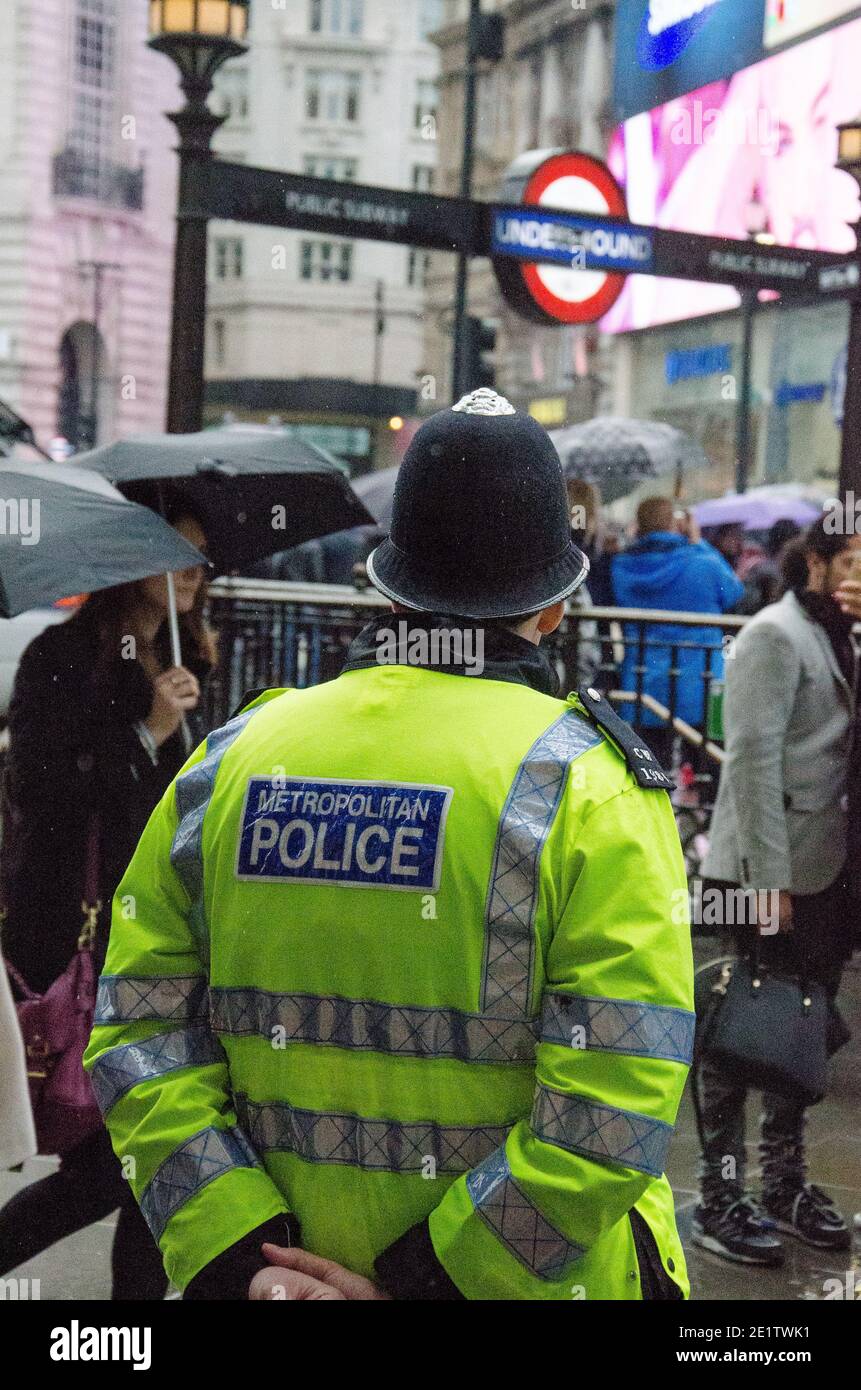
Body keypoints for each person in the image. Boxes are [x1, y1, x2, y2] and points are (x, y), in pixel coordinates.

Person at [84, 388, 695, 1302]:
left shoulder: (233, 761)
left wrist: (241, 1255)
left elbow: (136, 1032)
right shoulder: (589, 786)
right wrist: (424, 1285)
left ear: (386, 586)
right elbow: (611, 1114)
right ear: (556, 608)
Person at [0, 503, 215, 1299]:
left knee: (142, 1169)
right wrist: (148, 733)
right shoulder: (63, 658)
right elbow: (41, 793)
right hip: (88, 935)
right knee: (126, 1168)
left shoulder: (189, 658)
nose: (192, 572)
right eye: (174, 556)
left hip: (166, 935)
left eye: (199, 558)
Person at [695, 516, 859, 1264]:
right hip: (765, 867)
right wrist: (768, 884)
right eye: (854, 560)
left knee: (803, 1028)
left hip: (828, 865)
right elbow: (750, 764)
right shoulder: (772, 633)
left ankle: (783, 1184)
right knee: (740, 1031)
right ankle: (718, 1192)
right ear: (817, 562)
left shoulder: (844, 633)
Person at [611, 497, 744, 767]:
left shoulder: (621, 567)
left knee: (649, 766)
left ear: (639, 527)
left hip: (644, 684)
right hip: (700, 683)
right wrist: (698, 541)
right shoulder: (703, 563)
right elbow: (733, 590)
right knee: (706, 765)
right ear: (677, 524)